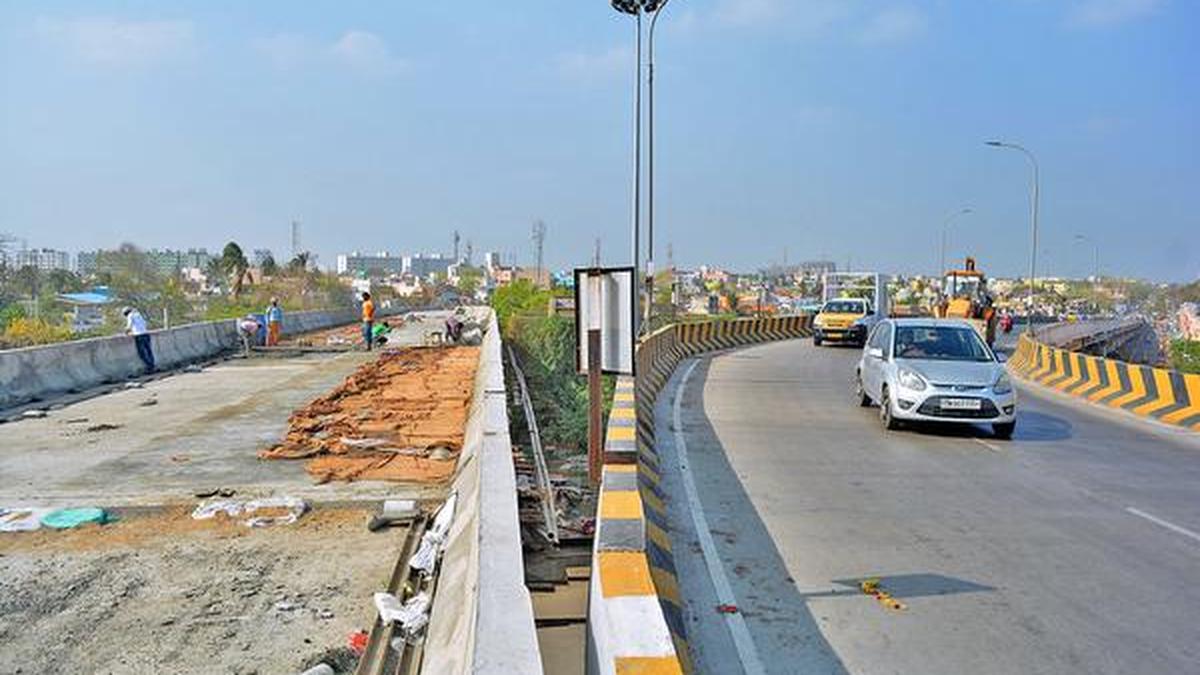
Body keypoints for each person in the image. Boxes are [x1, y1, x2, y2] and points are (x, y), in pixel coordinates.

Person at [123, 306, 155, 372]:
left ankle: (150, 367)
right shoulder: (138, 314)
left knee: (142, 353)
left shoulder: (130, 316)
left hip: (139, 335)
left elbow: (129, 325)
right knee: (149, 351)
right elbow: (144, 323)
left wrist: (126, 332)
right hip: (146, 333)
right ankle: (153, 365)